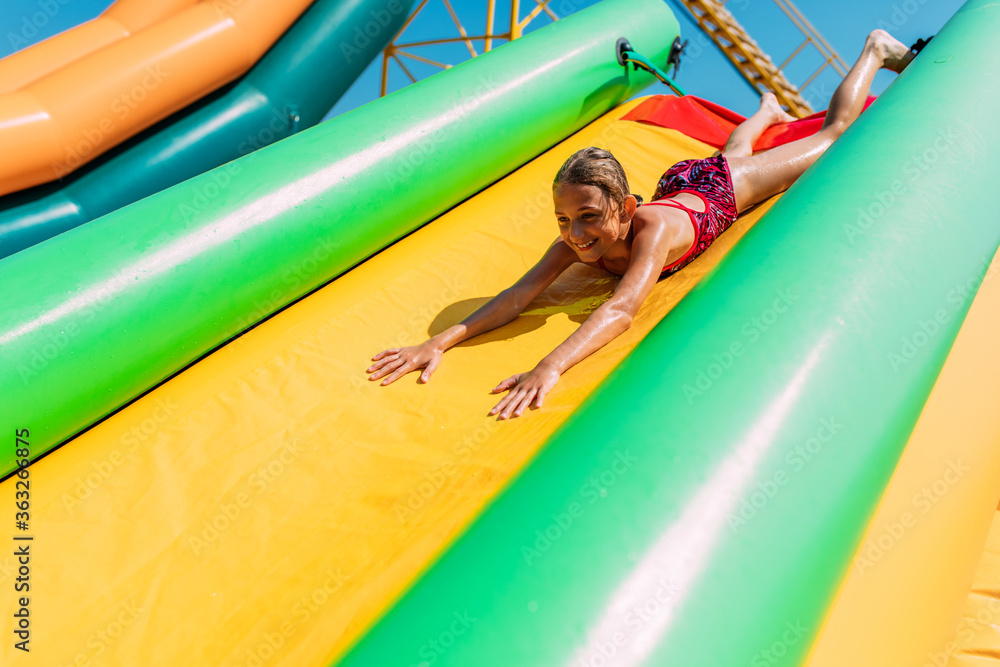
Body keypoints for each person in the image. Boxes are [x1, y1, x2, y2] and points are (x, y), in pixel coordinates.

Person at [366, 29, 917, 419]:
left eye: (586, 217)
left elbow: (623, 308)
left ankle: (873, 50)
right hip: (684, 182)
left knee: (826, 140)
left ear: (625, 209)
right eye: (563, 219)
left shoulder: (650, 232)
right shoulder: (576, 242)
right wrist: (439, 341)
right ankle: (767, 115)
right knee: (728, 152)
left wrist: (550, 365)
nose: (575, 234)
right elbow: (516, 296)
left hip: (717, 193)